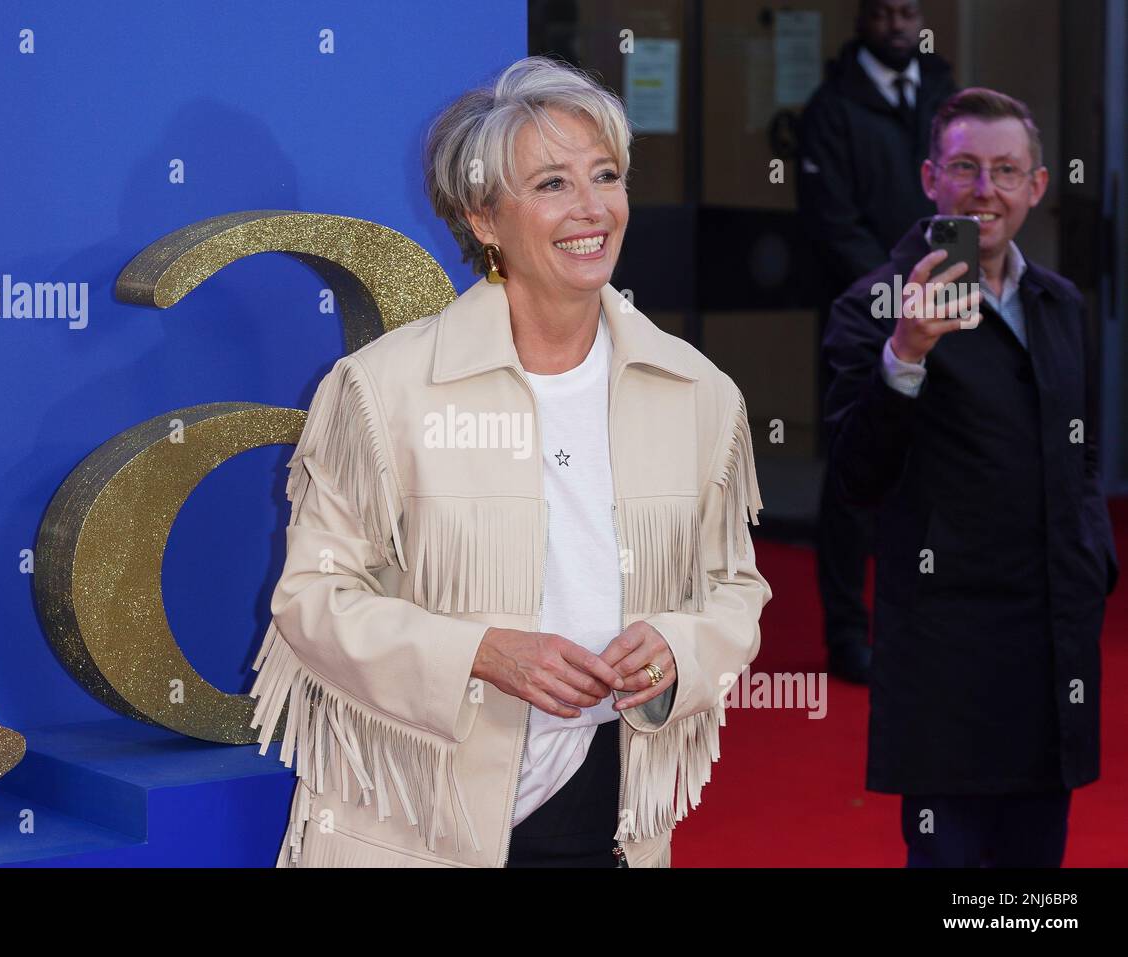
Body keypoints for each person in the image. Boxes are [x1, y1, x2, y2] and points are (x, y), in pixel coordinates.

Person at [248, 55, 771, 868]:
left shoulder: (696, 390)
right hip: (417, 812)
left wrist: (678, 646)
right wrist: (483, 653)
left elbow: (736, 589)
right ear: (483, 218)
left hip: (611, 808)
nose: (592, 208)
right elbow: (312, 599)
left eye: (606, 175)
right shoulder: (384, 388)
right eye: (553, 184)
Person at [823, 87, 1119, 867]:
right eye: (965, 167)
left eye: (1005, 170)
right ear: (930, 179)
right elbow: (855, 476)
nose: (985, 189)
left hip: (1051, 643)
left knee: (1032, 881)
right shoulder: (872, 309)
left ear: (1036, 186)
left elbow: (1083, 452)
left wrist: (1093, 558)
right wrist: (906, 354)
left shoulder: (1061, 305)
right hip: (947, 658)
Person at [798, 0, 956, 683]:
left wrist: (945, 286)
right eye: (885, 12)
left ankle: (924, 623)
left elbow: (961, 202)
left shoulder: (946, 95)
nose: (898, 24)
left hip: (944, 312)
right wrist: (894, 293)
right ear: (861, 20)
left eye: (908, 11)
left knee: (940, 469)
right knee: (854, 475)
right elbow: (832, 221)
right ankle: (846, 634)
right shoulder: (831, 108)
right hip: (861, 319)